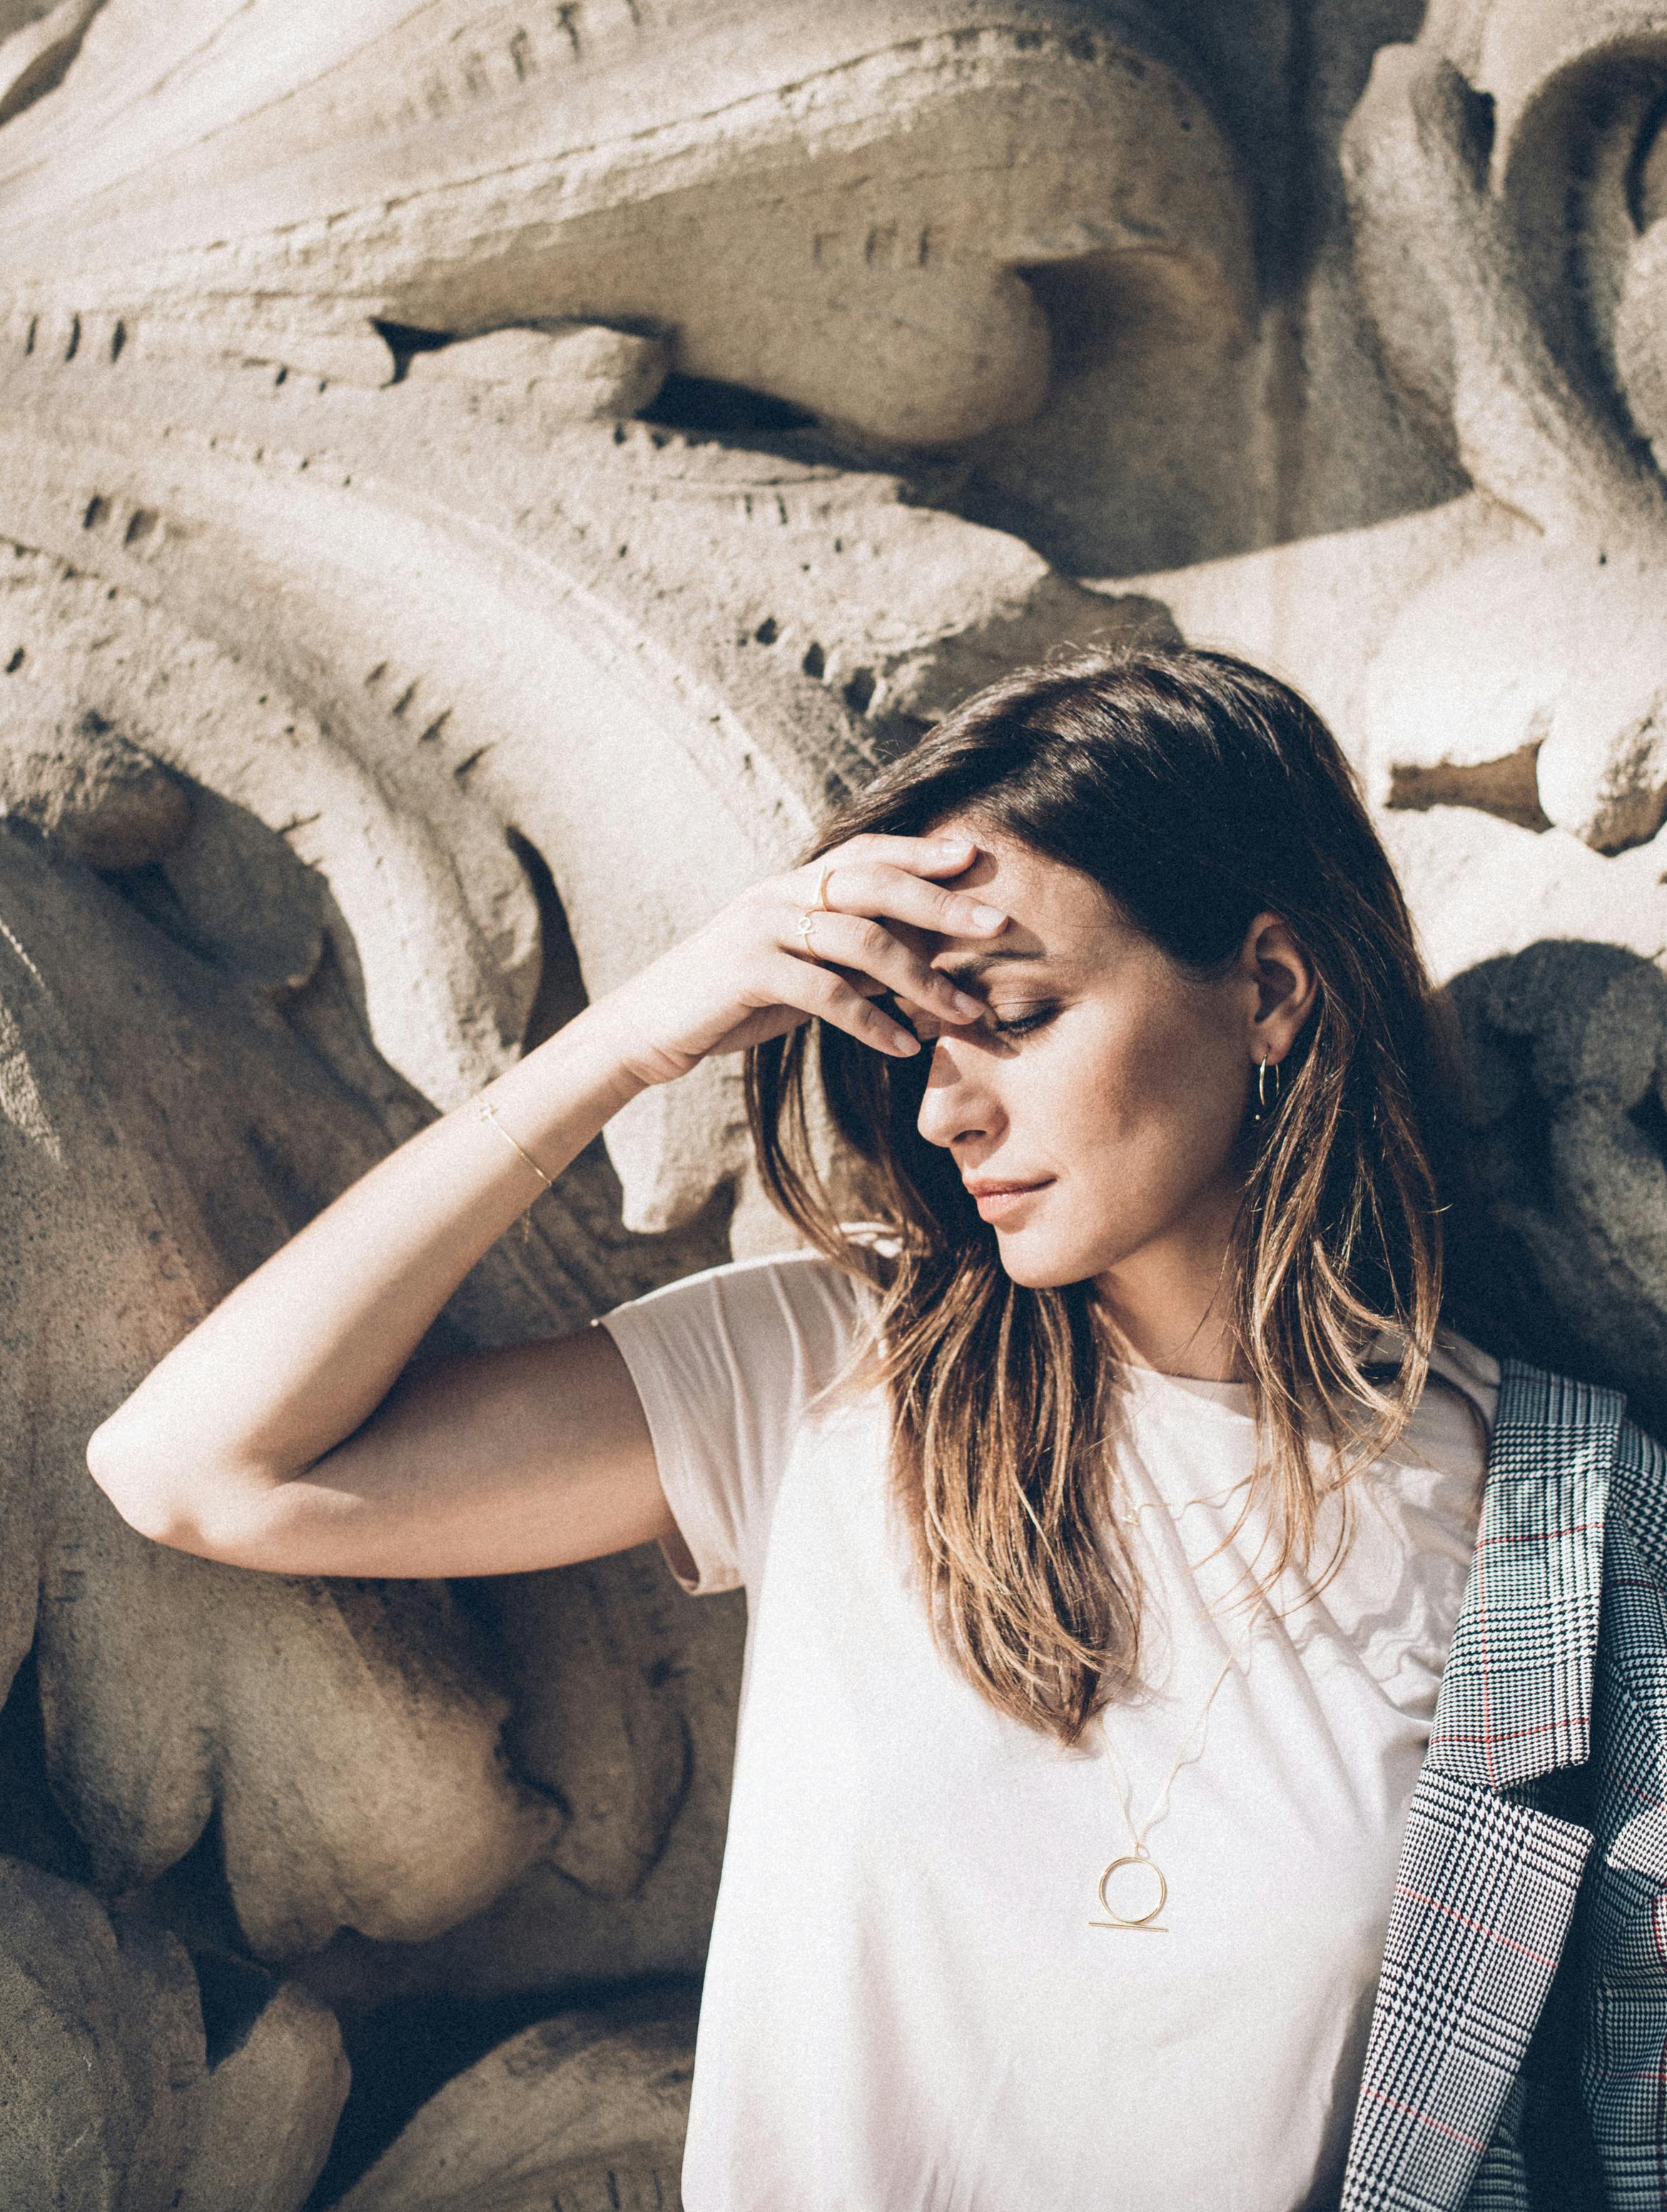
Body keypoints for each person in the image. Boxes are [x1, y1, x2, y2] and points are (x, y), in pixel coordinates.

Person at [83, 647, 1664, 2212]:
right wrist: (633, 1038)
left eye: (1019, 1016)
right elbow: (201, 1470)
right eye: (921, 1048)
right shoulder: (834, 1375)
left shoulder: (1558, 1522)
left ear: (1266, 988)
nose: (943, 1112)